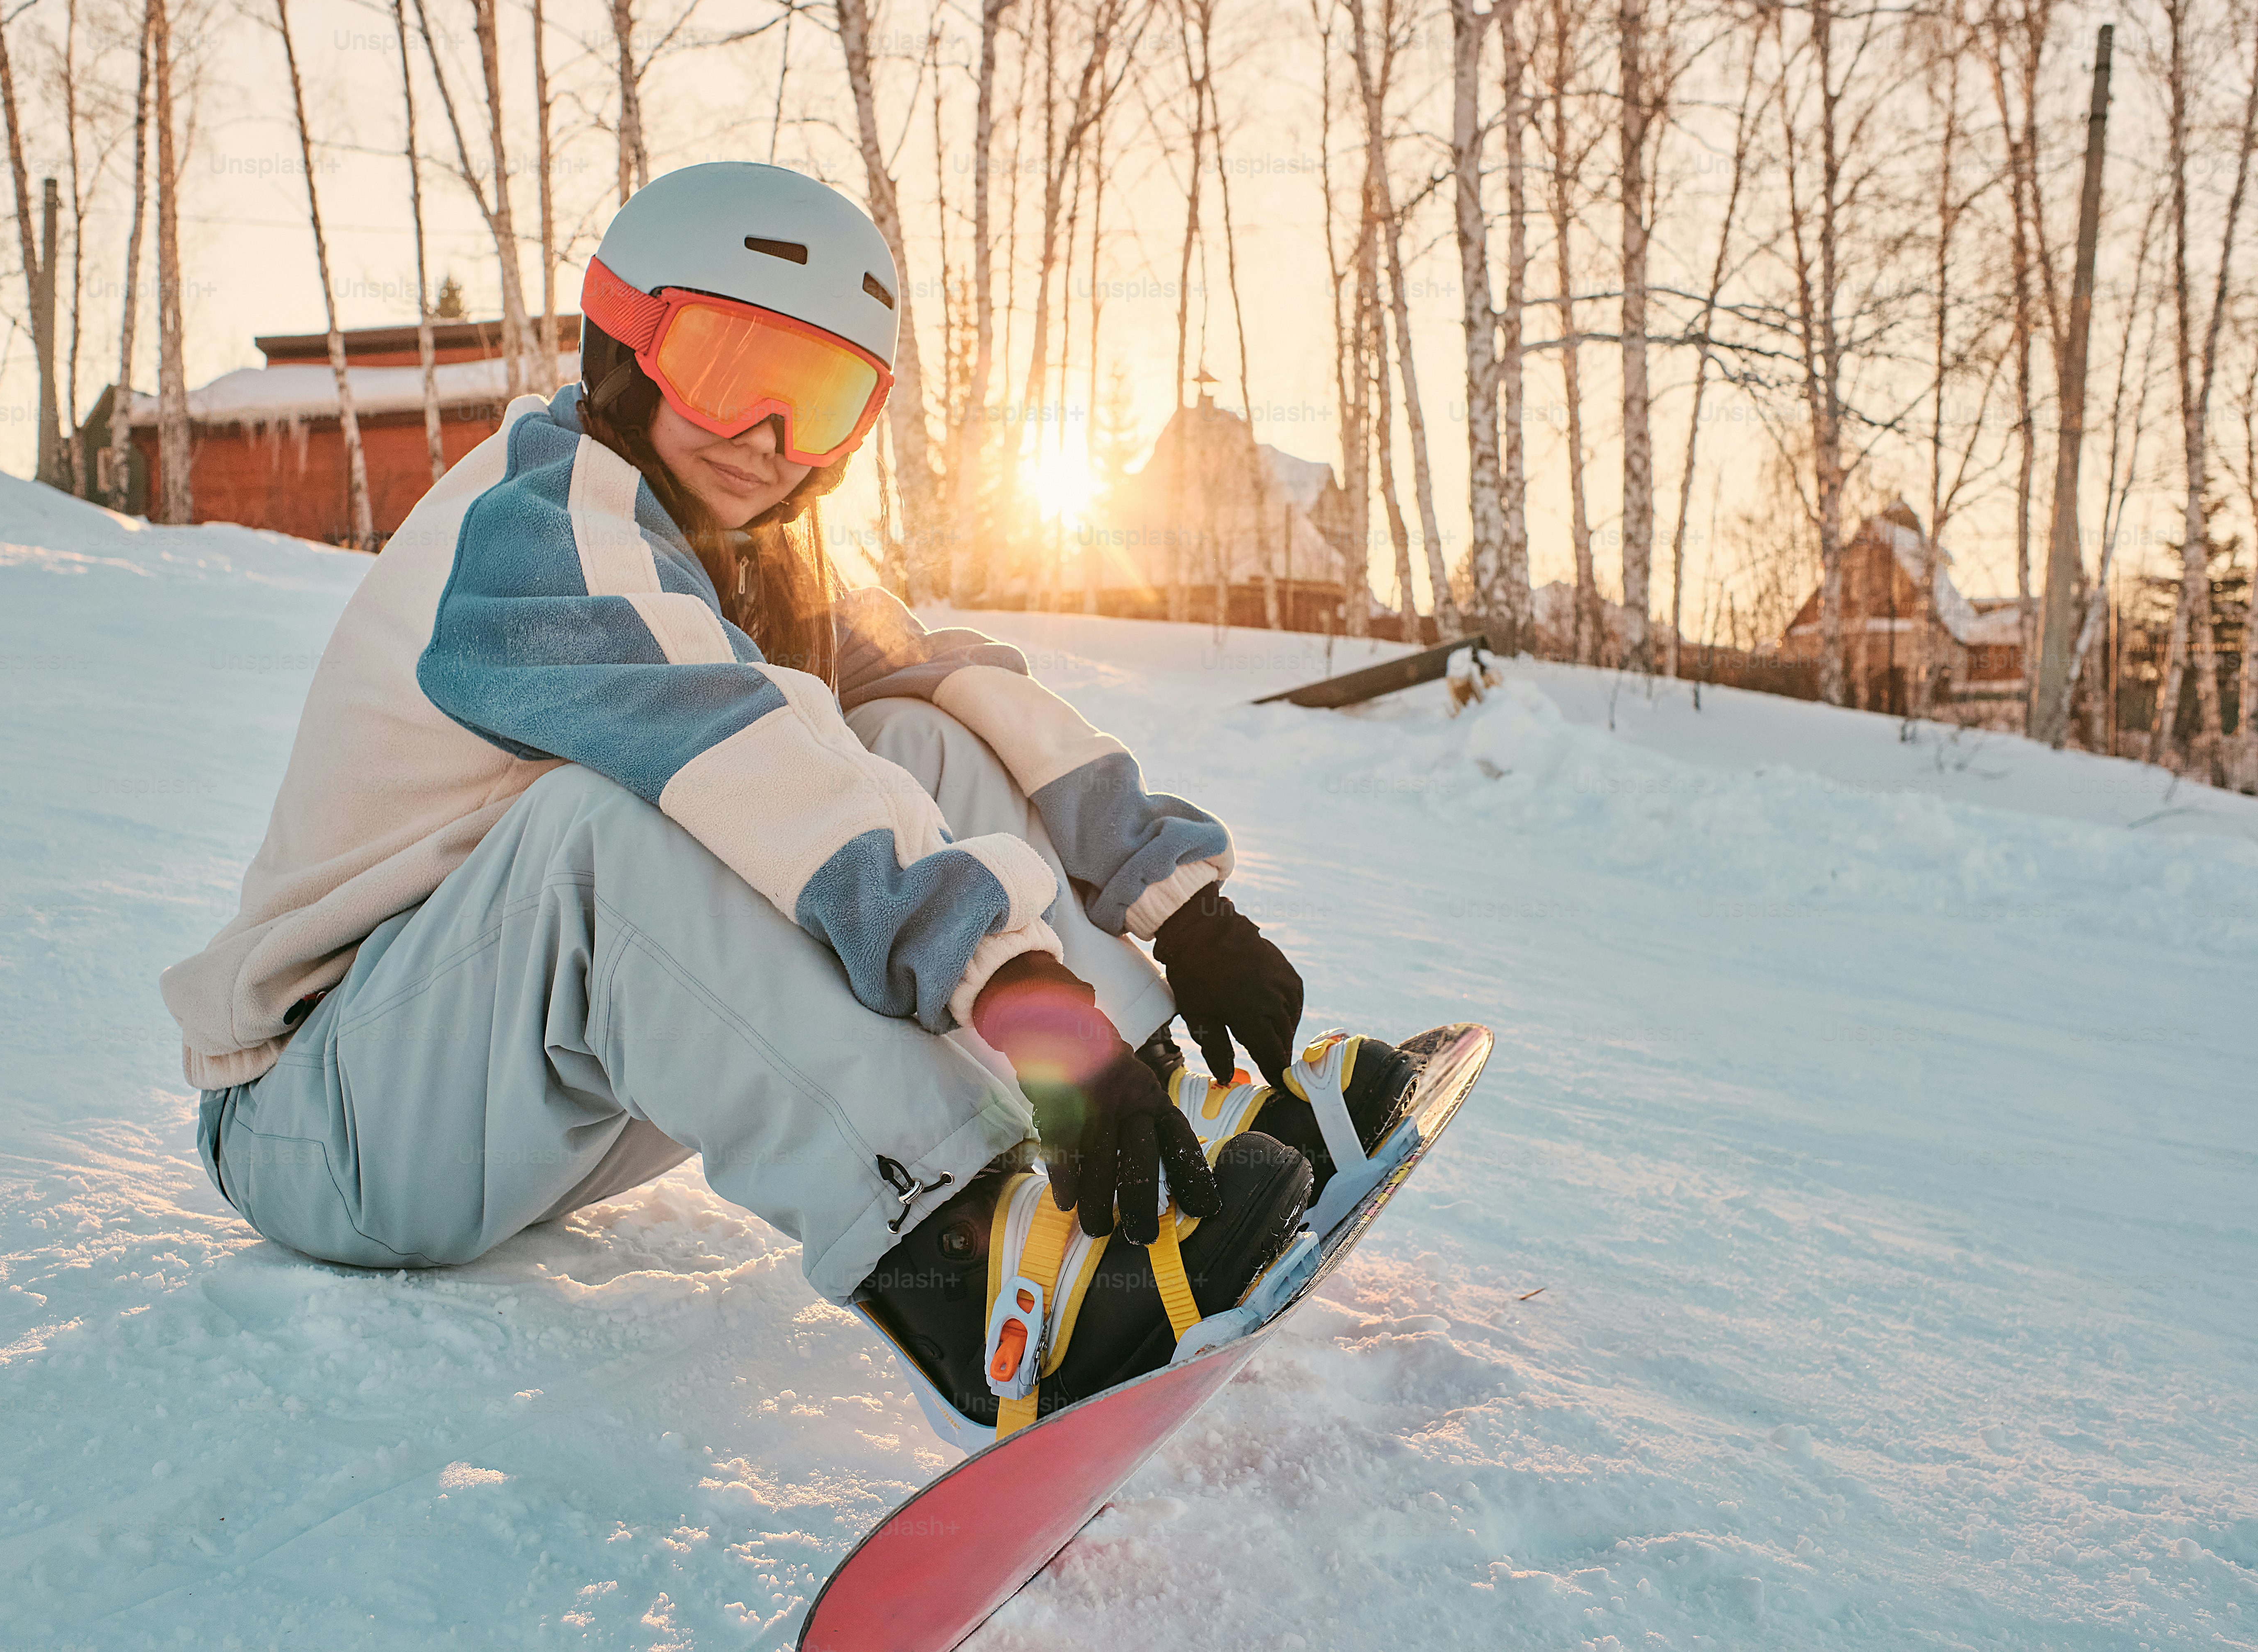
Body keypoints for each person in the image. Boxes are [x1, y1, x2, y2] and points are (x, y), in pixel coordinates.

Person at [163, 161, 1437, 1446]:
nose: (768, 436)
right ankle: (977, 1275)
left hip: (534, 1093)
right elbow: (757, 763)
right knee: (607, 835)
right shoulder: (544, 533)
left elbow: (952, 685)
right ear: (625, 344)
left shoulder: (757, 548)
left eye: (819, 398)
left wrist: (1180, 903)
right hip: (330, 1126)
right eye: (726, 370)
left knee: (909, 729)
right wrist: (1030, 1006)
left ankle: (1166, 1136)